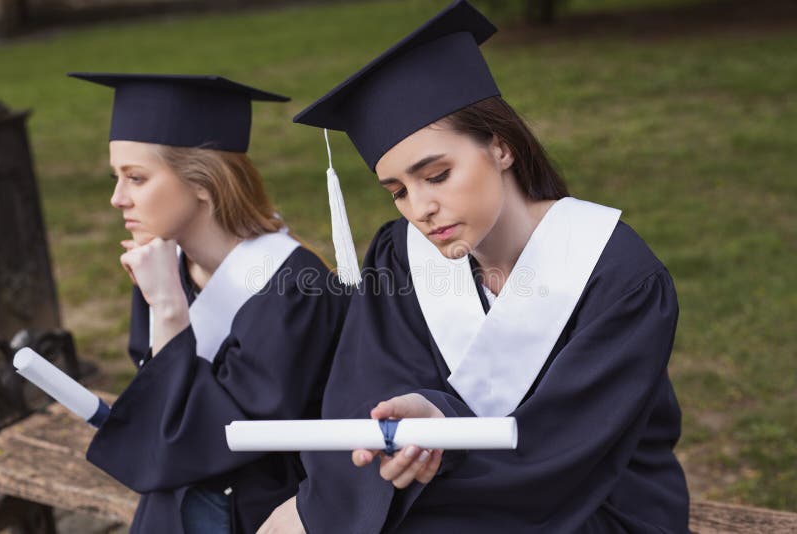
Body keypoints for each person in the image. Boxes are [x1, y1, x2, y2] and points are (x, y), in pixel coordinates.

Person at [260, 1, 690, 532]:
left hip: (589, 502)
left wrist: (445, 431)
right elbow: (363, 398)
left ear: (501, 148)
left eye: (436, 175)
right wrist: (419, 421)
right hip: (447, 489)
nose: (420, 208)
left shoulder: (618, 275)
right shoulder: (401, 255)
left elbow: (563, 452)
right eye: (397, 191)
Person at [68, 73, 349, 534]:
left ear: (203, 182)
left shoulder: (295, 288)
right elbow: (156, 413)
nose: (117, 199)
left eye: (136, 178)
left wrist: (171, 312)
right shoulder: (167, 266)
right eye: (117, 177)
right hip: (171, 505)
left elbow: (218, 437)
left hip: (261, 513)